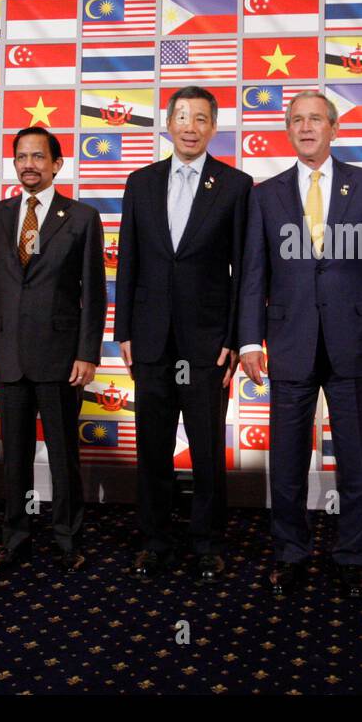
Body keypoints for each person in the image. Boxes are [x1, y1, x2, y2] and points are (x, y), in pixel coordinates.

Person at [239, 90, 362, 597]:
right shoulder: (265, 194)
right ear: (287, 130)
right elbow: (252, 274)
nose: (306, 127)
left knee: (356, 459)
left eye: (316, 119)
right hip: (288, 342)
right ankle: (290, 554)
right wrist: (249, 340)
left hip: (354, 340)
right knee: (286, 461)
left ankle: (354, 556)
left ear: (334, 129)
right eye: (297, 120)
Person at [115, 86, 251, 581]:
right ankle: (154, 540)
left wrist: (235, 338)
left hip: (207, 343)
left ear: (214, 128)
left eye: (200, 118)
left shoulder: (236, 185)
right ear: (167, 124)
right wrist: (123, 328)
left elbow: (245, 269)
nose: (190, 126)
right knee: (151, 446)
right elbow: (128, 259)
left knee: (208, 447)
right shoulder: (141, 182)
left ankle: (208, 542)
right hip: (149, 338)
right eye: (181, 117)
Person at [0, 126, 106, 573]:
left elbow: (94, 293)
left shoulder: (82, 217)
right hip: (7, 355)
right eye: (22, 156)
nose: (29, 164)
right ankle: (16, 538)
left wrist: (87, 353)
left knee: (65, 454)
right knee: (15, 458)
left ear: (57, 164)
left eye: (38, 157)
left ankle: (68, 538)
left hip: (62, 358)